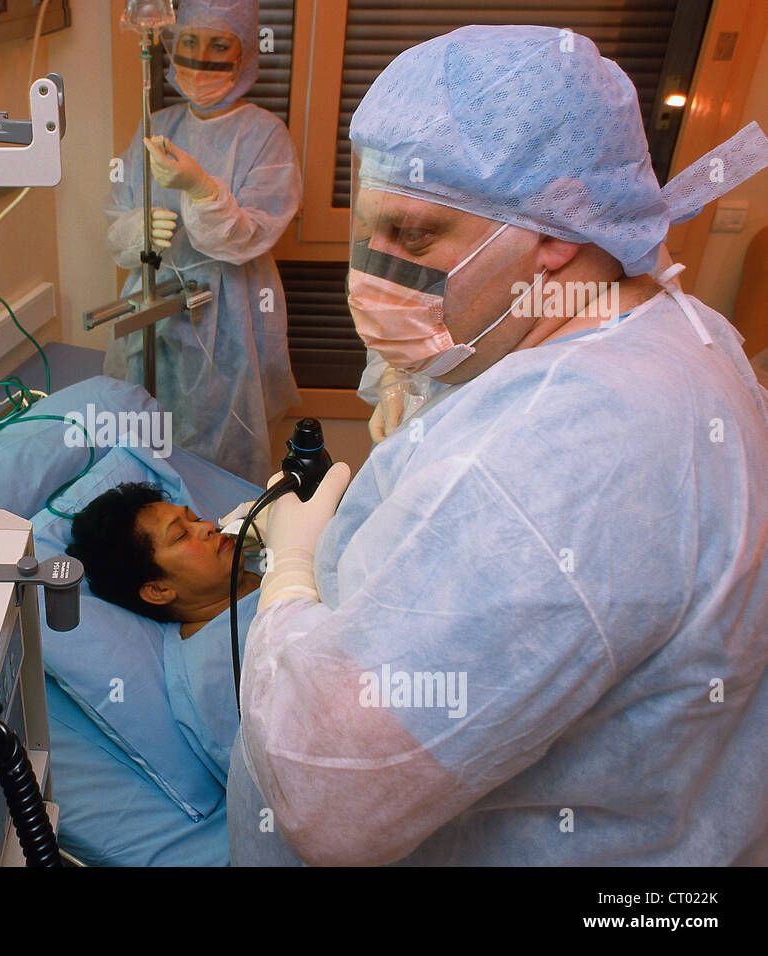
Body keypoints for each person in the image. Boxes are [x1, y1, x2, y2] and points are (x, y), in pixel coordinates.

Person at [229, 25, 768, 865]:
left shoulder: (553, 460)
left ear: (555, 232)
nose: (374, 277)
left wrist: (291, 572)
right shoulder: (684, 332)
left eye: (413, 237)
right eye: (370, 230)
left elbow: (328, 795)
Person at [104, 0, 302, 486]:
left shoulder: (265, 136)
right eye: (190, 41)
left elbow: (250, 235)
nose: (201, 57)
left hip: (231, 315)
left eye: (220, 44)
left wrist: (201, 188)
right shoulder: (157, 127)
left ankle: (227, 545)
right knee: (143, 443)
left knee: (226, 452)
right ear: (172, 45)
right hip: (154, 310)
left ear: (245, 54)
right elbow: (116, 219)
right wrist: (136, 231)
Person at [66, 482, 259, 638]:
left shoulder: (261, 552)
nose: (208, 526)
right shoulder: (225, 660)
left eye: (196, 519)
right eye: (181, 535)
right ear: (158, 590)